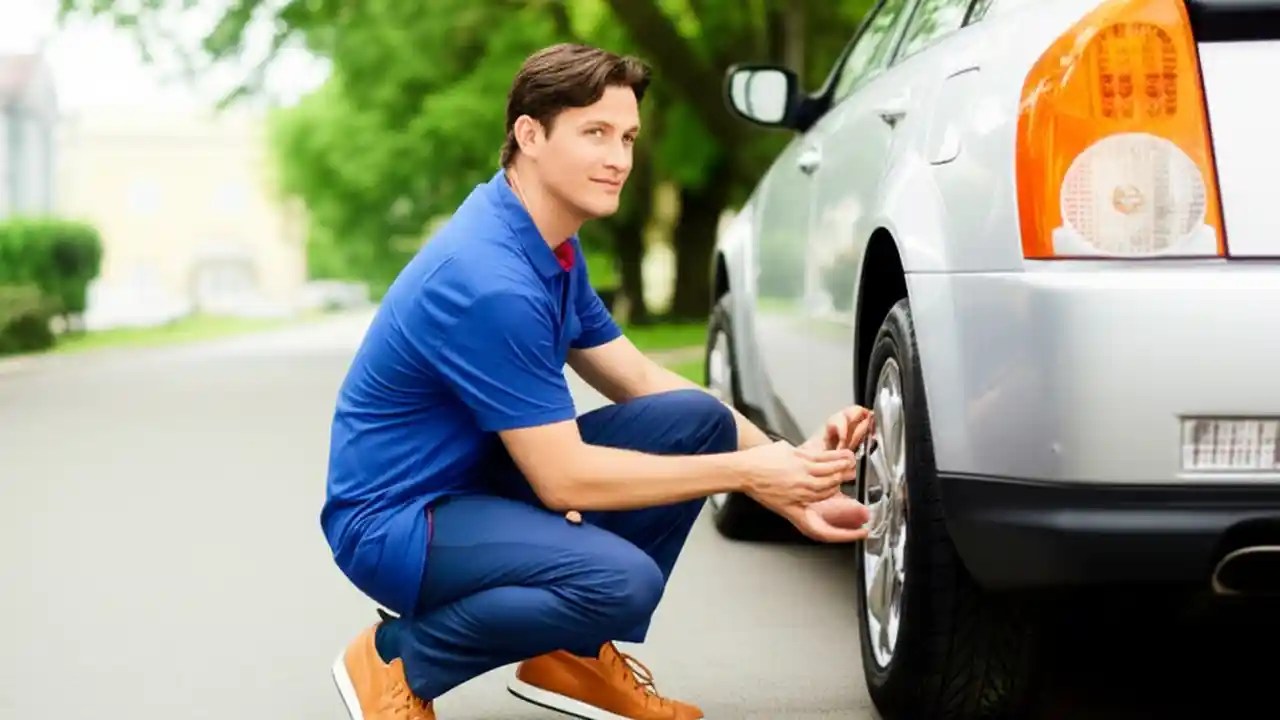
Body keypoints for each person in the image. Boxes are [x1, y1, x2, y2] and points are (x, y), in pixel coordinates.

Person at [322, 42, 876, 720]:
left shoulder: (550, 242)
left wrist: (787, 468)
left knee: (692, 420)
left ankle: (570, 658)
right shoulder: (488, 277)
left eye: (628, 137)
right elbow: (565, 479)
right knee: (622, 582)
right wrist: (747, 476)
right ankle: (398, 660)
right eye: (595, 134)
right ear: (530, 135)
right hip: (399, 521)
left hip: (478, 487)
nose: (620, 158)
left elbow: (641, 379)